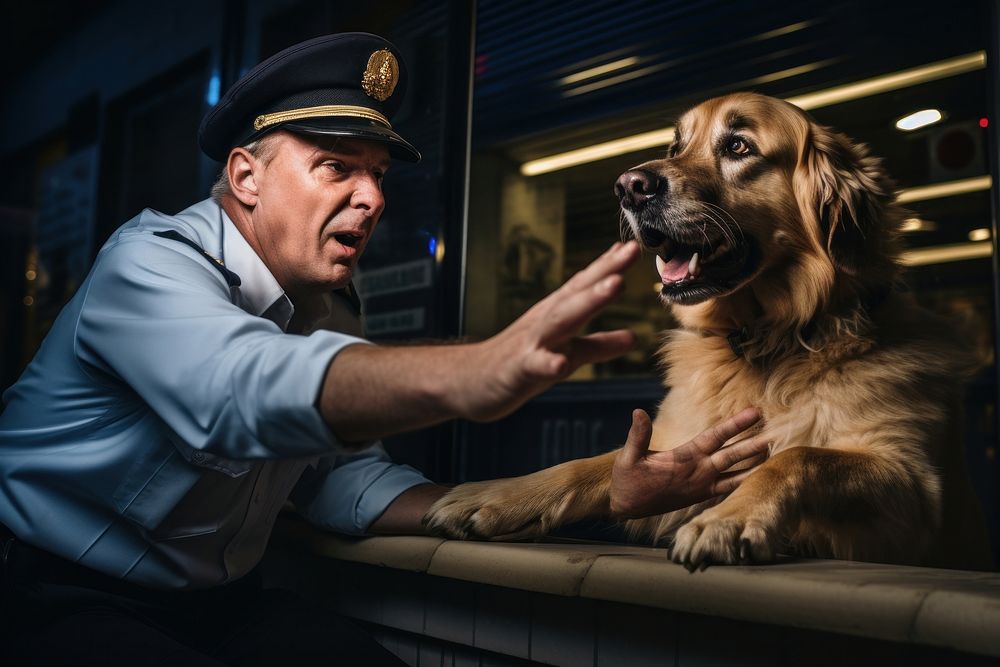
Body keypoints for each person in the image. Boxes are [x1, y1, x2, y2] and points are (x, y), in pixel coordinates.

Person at [0, 33, 768, 665]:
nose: (371, 198)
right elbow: (235, 386)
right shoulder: (148, 262)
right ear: (245, 177)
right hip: (59, 595)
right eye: (336, 167)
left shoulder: (328, 306)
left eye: (375, 175)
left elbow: (340, 480)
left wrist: (602, 495)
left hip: (220, 606)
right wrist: (476, 369)